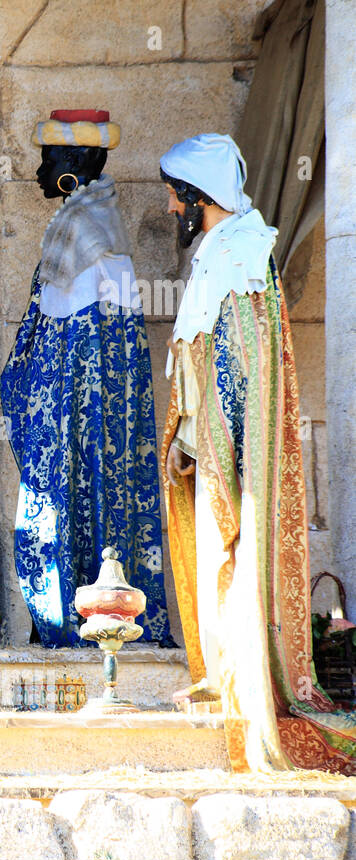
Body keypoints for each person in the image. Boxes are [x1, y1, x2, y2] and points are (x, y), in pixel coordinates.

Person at [160, 133, 356, 773]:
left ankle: (250, 693)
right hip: (210, 447)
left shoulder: (243, 254)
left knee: (236, 569)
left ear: (197, 197)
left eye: (172, 197)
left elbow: (239, 370)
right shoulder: (221, 251)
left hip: (233, 456)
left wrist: (214, 447)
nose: (168, 210)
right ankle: (227, 680)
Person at [0, 109, 171, 648]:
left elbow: (96, 350)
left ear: (73, 163)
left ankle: (74, 619)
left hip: (79, 419)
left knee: (65, 505)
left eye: (47, 159)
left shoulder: (91, 233)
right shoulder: (82, 223)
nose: (37, 172)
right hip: (66, 412)